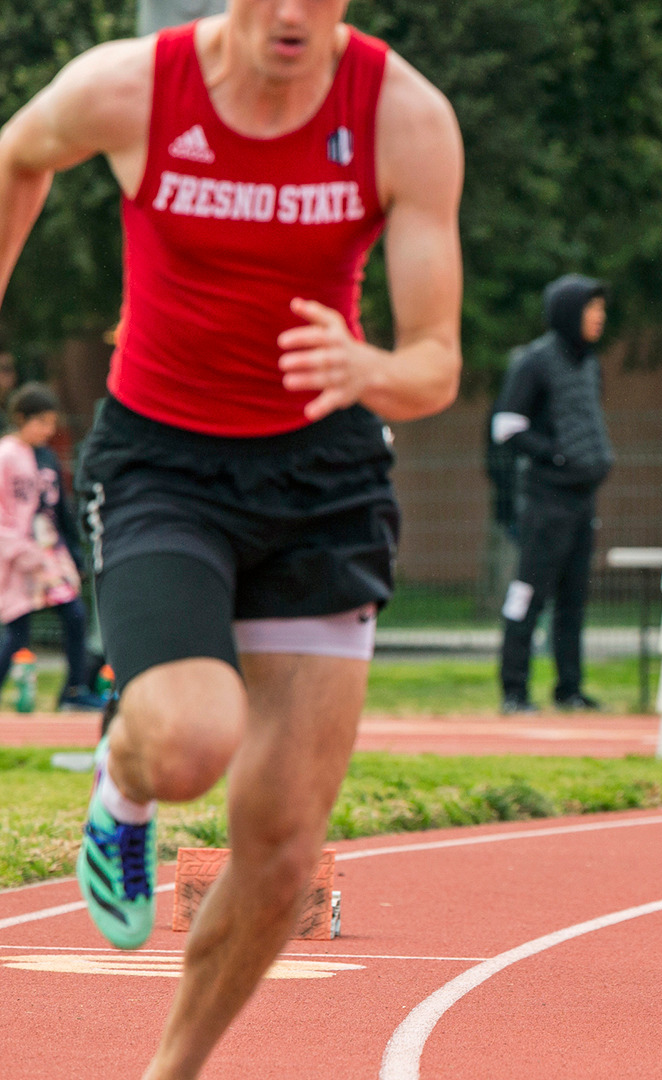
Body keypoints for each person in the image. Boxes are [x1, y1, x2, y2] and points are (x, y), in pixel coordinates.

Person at [0, 5, 464, 1076]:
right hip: (165, 464)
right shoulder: (132, 87)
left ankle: (172, 1071)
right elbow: (20, 153)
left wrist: (372, 370)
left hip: (324, 478)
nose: (294, 13)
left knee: (282, 852)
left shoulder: (403, 116)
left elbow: (435, 360)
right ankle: (120, 787)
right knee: (192, 737)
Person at [492, 274, 612, 713]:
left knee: (574, 597)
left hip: (582, 500)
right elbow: (505, 427)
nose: (600, 317)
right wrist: (558, 458)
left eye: (600, 308)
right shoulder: (533, 362)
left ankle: (569, 689)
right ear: (568, 312)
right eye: (591, 308)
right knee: (529, 591)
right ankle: (514, 690)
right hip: (545, 501)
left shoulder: (589, 363)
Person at [0, 384, 104, 710]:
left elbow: (60, 509)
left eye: (51, 422)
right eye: (41, 422)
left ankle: (73, 690)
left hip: (50, 554)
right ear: (21, 419)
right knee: (18, 629)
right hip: (18, 555)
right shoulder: (6, 455)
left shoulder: (46, 457)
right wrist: (16, 550)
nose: (48, 430)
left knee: (74, 614)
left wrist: (73, 552)